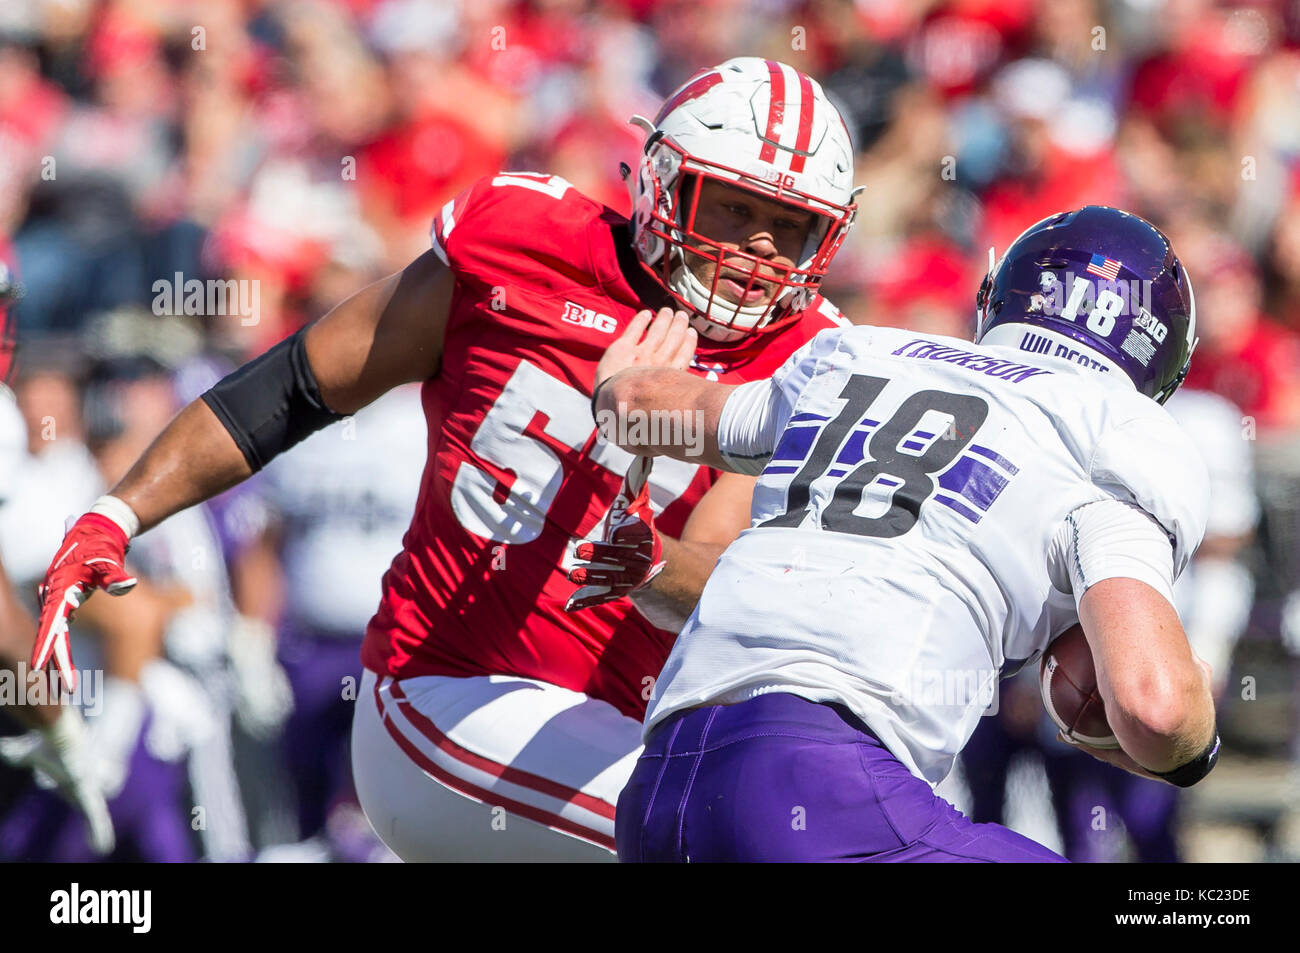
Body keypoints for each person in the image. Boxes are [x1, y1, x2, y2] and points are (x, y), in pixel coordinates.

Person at [26, 58, 861, 861]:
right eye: (733, 208)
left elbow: (712, 574)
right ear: (663, 181)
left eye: (794, 228)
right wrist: (119, 511)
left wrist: (645, 551)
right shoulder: (522, 245)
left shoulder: (812, 361)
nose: (760, 250)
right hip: (443, 693)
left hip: (616, 733)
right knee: (719, 828)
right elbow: (296, 386)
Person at [598, 206, 1220, 862]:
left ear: (999, 297)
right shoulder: (1117, 435)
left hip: (659, 788)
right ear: (1164, 357)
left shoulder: (862, 352)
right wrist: (1193, 749)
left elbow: (647, 409)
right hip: (824, 786)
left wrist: (616, 388)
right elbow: (1154, 706)